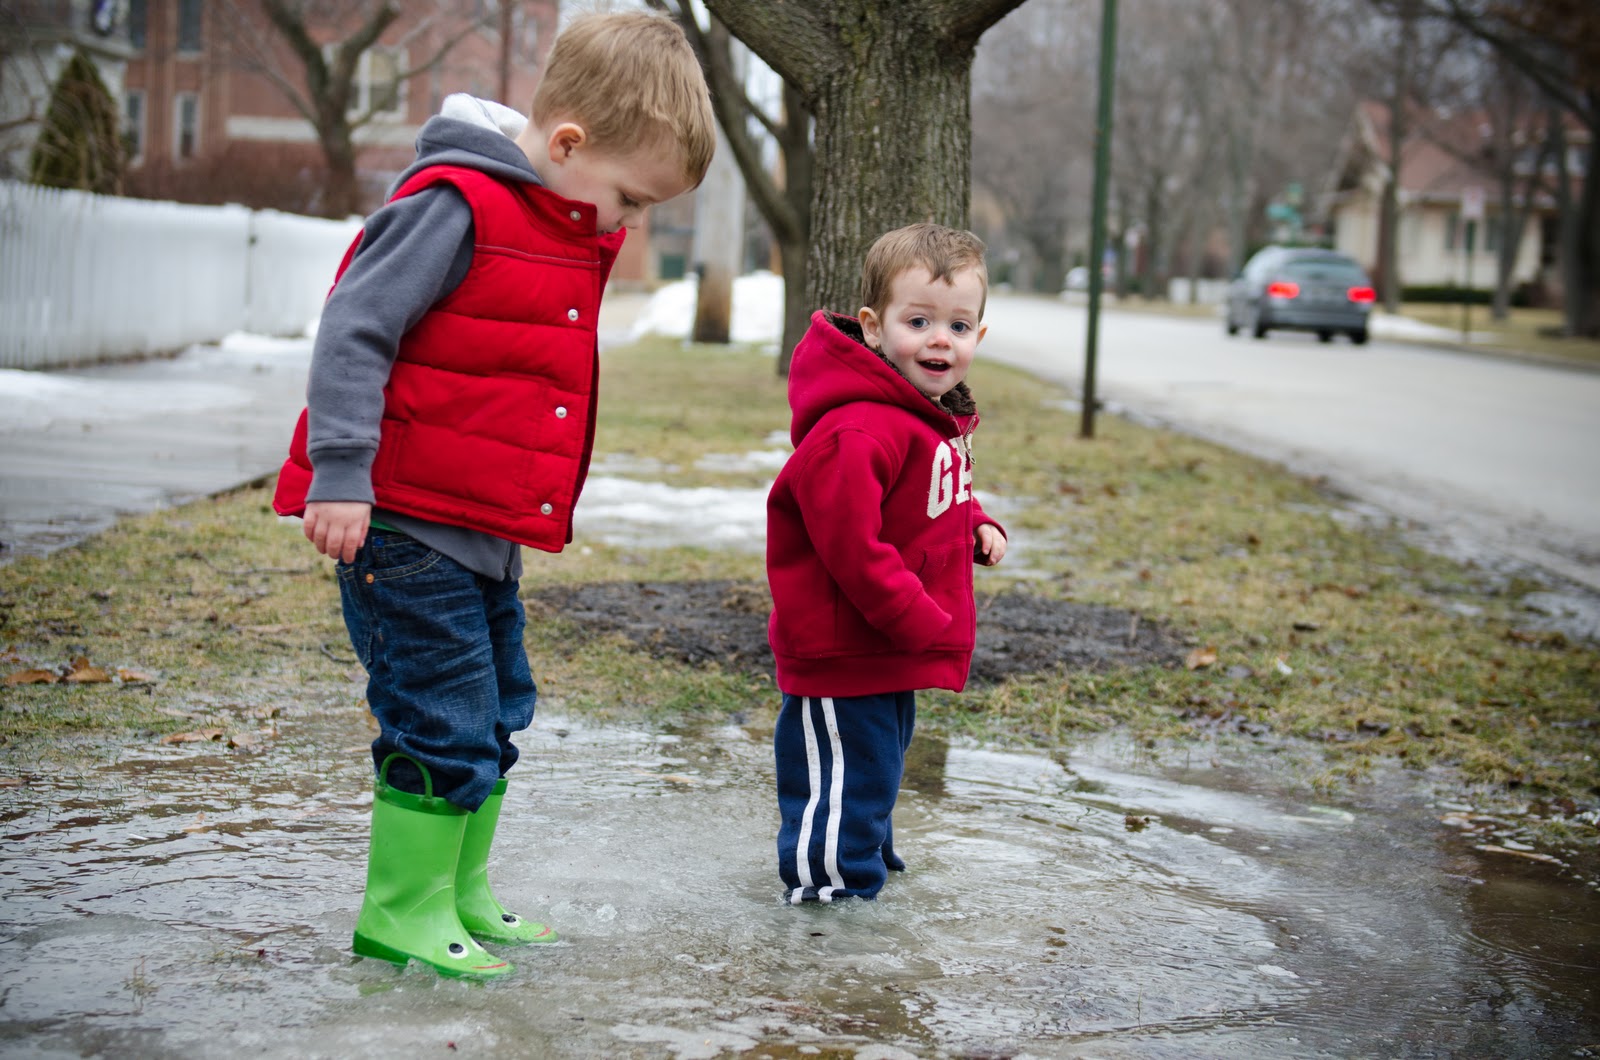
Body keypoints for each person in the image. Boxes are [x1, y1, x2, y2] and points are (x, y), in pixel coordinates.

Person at [271, 11, 714, 978]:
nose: (629, 223)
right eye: (631, 198)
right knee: (440, 713)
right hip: (401, 522)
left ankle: (458, 893)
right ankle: (402, 911)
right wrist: (341, 474)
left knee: (498, 707)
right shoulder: (456, 206)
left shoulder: (549, 222)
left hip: (477, 531)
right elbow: (355, 329)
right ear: (566, 145)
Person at [765, 223, 1008, 904]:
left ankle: (863, 853)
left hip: (889, 644)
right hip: (846, 648)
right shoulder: (857, 429)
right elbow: (850, 544)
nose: (940, 339)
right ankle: (827, 901)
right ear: (874, 327)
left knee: (874, 767)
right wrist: (911, 613)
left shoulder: (923, 416)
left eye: (959, 325)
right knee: (842, 771)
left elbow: (926, 497)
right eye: (919, 320)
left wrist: (976, 523)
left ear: (978, 338)